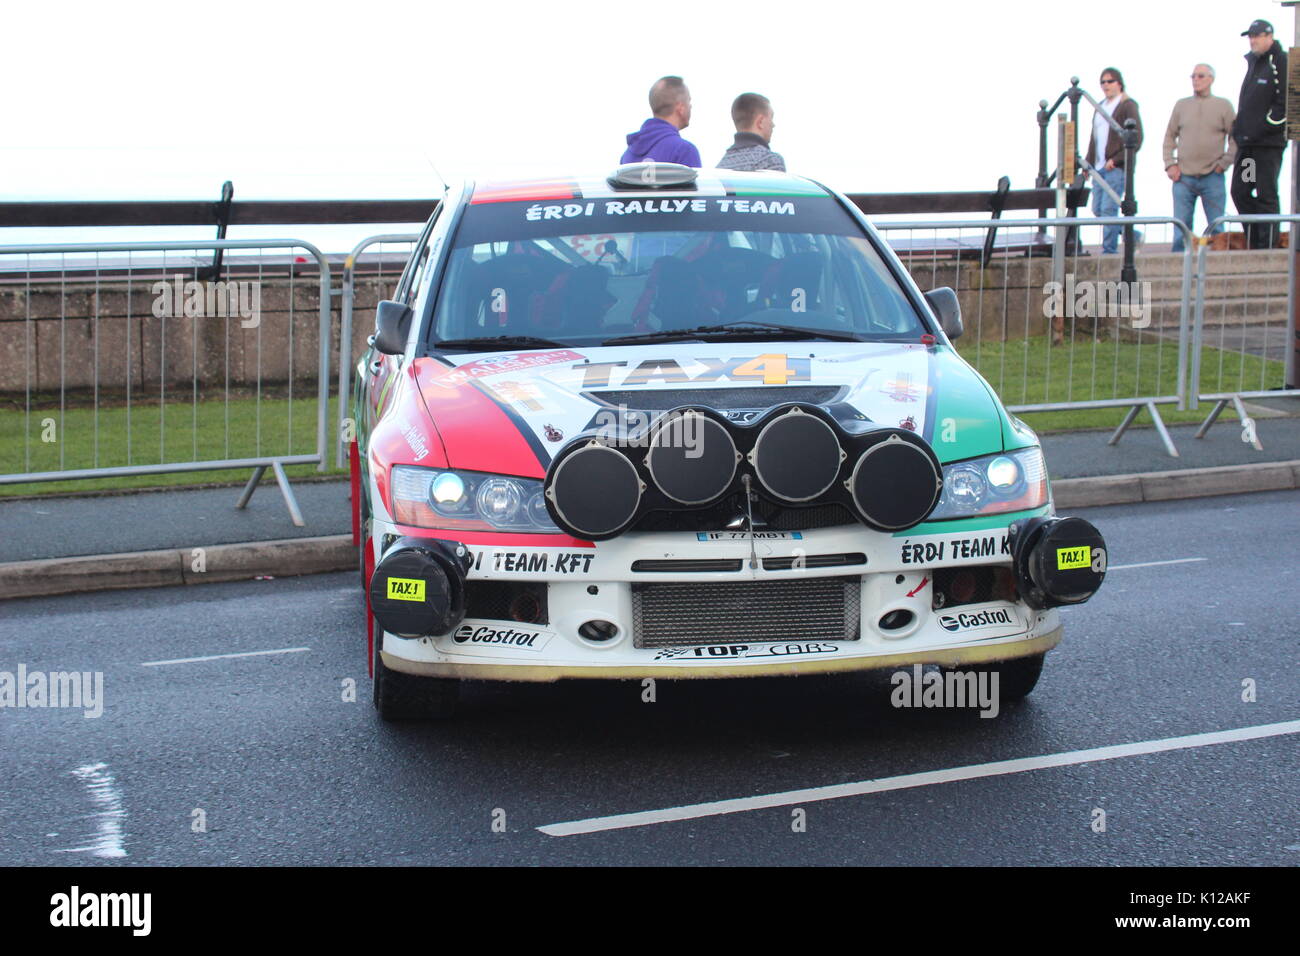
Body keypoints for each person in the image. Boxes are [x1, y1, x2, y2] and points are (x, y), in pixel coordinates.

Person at [1163, 64, 1236, 252]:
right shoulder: (1181, 105)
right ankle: (1177, 269)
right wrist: (1170, 164)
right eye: (1193, 76)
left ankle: (1218, 271)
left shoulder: (1223, 105)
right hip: (1183, 176)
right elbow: (1169, 136)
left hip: (1213, 176)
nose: (1196, 80)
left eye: (1201, 76)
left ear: (1211, 79)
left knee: (1217, 226)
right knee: (1181, 226)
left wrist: (1223, 164)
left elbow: (1236, 138)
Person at [1231, 19, 1288, 249]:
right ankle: (1256, 241)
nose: (1252, 40)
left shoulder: (1280, 61)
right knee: (1241, 191)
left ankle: (1267, 245)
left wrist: (1267, 125)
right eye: (1250, 36)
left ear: (1269, 36)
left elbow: (1286, 100)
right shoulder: (1254, 63)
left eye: (1257, 36)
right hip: (1248, 146)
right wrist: (1240, 130)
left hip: (1267, 145)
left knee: (1266, 193)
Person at [1084, 68, 1143, 254]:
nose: (1106, 85)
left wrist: (1117, 159)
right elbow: (1094, 137)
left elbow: (1136, 137)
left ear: (1119, 83)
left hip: (1115, 167)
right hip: (1099, 166)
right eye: (1103, 82)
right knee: (1097, 209)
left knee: (1109, 208)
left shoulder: (1127, 105)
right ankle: (1131, 235)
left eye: (1110, 81)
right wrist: (1088, 163)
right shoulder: (1100, 105)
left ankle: (1109, 250)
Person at [620, 76, 702, 167]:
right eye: (689, 101)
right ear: (680, 107)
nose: (690, 106)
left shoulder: (626, 156)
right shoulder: (685, 151)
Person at [716, 93, 786, 171]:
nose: (773, 125)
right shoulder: (770, 161)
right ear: (761, 121)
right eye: (771, 118)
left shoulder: (721, 166)